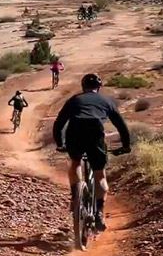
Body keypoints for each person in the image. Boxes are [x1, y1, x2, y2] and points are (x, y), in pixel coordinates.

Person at [52, 74, 131, 231]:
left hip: (75, 131)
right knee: (99, 173)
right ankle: (99, 213)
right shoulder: (107, 101)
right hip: (95, 132)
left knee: (75, 161)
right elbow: (121, 126)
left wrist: (60, 143)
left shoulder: (75, 100)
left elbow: (59, 122)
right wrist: (126, 146)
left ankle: (75, 194)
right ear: (99, 87)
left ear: (83, 87)